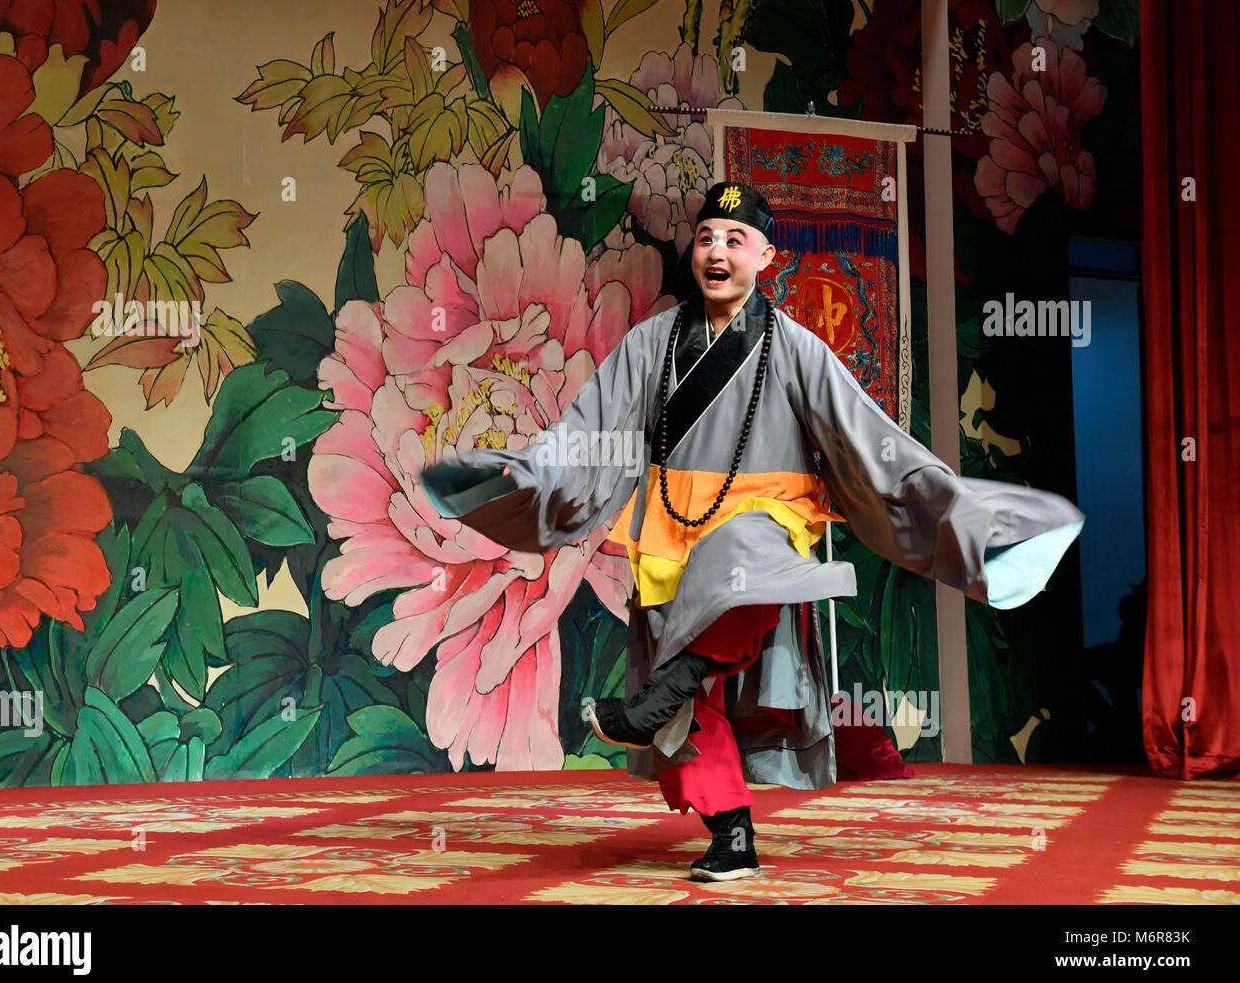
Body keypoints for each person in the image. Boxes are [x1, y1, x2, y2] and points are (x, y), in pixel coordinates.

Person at [419, 182, 1085, 882]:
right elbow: (588, 436)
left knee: (739, 562)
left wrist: (969, 520)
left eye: (735, 240)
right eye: (707, 237)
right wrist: (518, 479)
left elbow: (871, 441)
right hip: (673, 527)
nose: (716, 252)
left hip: (766, 524)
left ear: (766, 255)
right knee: (688, 716)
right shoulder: (654, 345)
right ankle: (731, 831)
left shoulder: (795, 348)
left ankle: (670, 684)